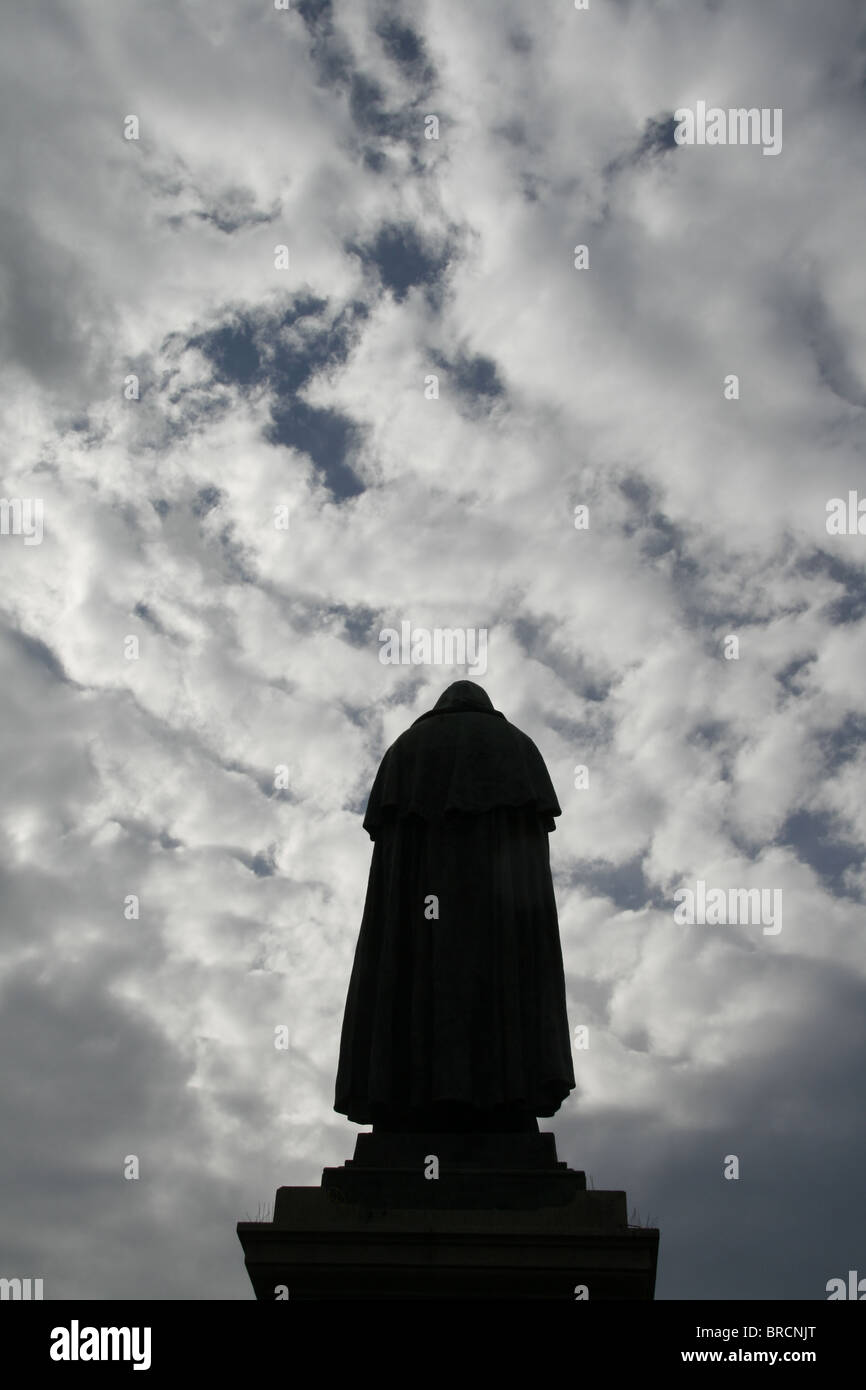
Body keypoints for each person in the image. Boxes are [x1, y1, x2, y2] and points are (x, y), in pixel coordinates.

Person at [334, 680, 575, 1132]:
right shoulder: (518, 747)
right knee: (500, 986)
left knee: (414, 980)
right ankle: (505, 1097)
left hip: (419, 922)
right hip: (498, 920)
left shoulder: (406, 749)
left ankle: (407, 1095)